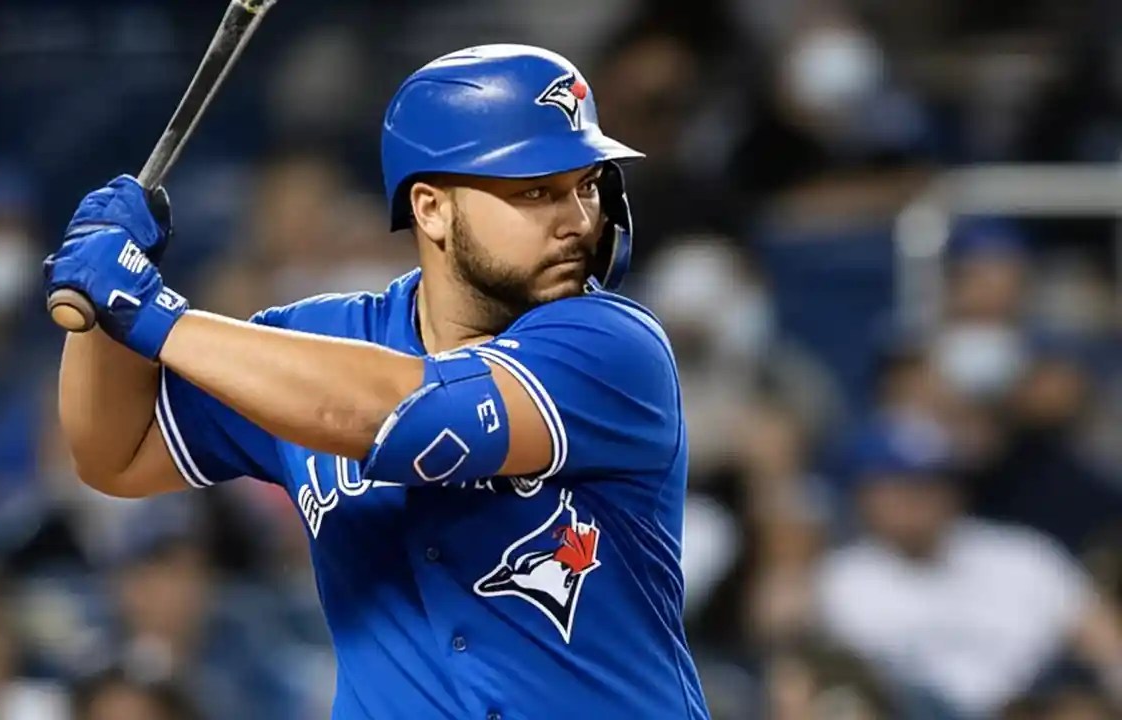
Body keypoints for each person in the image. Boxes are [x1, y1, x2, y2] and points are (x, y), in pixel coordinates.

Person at [43, 43, 710, 718]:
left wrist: (153, 314)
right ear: (431, 209)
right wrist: (99, 317)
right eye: (535, 191)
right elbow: (116, 455)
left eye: (587, 186)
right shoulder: (319, 349)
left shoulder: (612, 348)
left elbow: (411, 418)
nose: (577, 221)